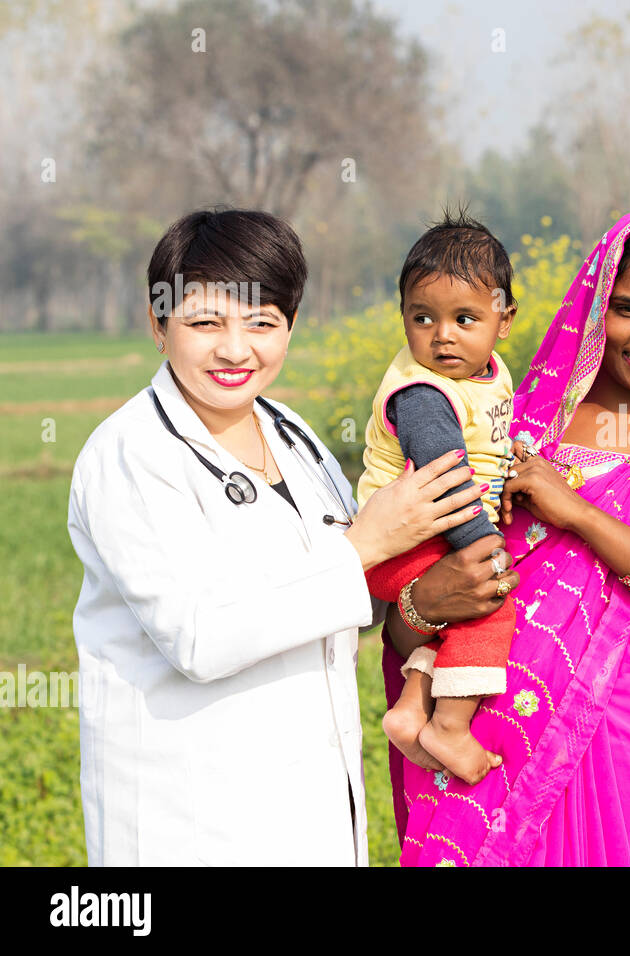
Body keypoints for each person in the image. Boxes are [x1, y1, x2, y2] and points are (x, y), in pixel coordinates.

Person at [67, 208, 487, 866]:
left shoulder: (293, 434)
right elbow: (197, 636)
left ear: (290, 326)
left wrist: (421, 593)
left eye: (261, 323)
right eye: (205, 323)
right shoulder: (132, 453)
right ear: (158, 324)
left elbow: (346, 599)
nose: (235, 350)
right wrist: (367, 546)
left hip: (313, 808)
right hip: (192, 821)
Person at [383, 209, 630, 866]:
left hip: (627, 742)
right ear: (596, 310)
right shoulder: (518, 427)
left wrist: (582, 516)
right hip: (480, 742)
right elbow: (413, 613)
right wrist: (421, 606)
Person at [358, 213, 518, 786]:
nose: (442, 334)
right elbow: (447, 477)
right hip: (400, 541)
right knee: (489, 603)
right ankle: (449, 726)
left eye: (464, 319)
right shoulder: (423, 393)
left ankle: (411, 708)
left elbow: (491, 444)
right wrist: (484, 546)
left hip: (432, 534)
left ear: (504, 320)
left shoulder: (485, 375)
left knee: (455, 621)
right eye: (422, 318)